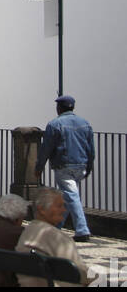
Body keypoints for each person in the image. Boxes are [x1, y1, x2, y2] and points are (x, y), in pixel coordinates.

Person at [35, 93, 94, 240]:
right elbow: (90, 148)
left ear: (59, 108)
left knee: (72, 196)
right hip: (81, 164)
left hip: (64, 165)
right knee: (67, 197)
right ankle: (56, 227)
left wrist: (39, 166)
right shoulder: (85, 123)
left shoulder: (54, 124)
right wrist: (90, 164)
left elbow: (46, 148)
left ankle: (82, 230)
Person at [16, 187, 100, 287]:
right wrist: (99, 279)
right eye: (59, 206)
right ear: (42, 209)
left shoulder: (27, 232)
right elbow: (81, 273)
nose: (64, 210)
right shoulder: (57, 237)